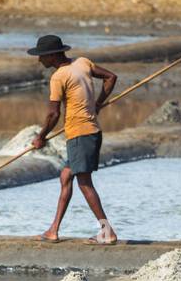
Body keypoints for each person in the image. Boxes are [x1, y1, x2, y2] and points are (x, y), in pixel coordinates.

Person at [26, 35, 119, 244]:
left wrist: (41, 137)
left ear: (51, 55)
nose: (39, 60)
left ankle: (108, 232)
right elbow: (111, 77)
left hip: (80, 134)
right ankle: (53, 230)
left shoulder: (59, 77)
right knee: (66, 177)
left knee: (85, 184)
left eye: (41, 56)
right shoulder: (82, 63)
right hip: (90, 132)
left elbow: (53, 115)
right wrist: (97, 104)